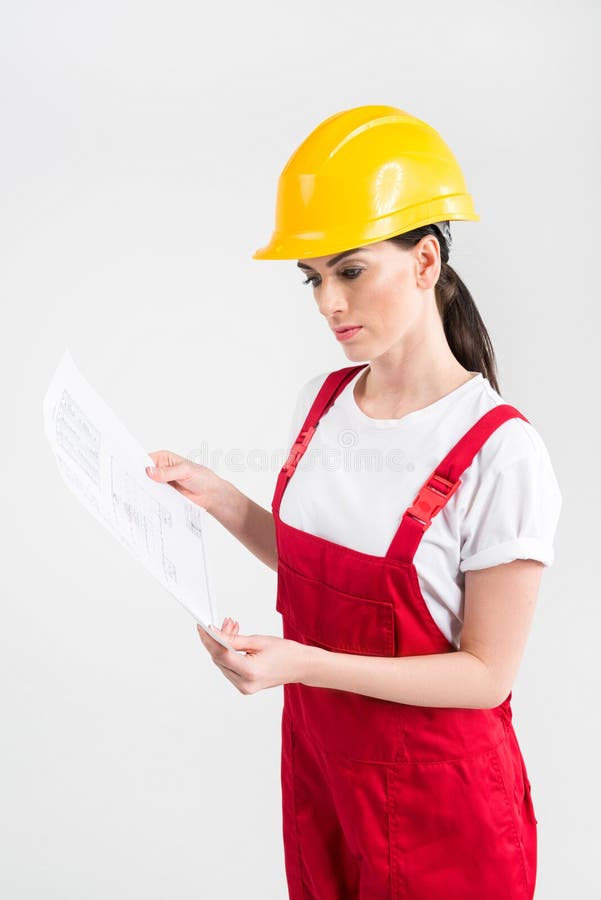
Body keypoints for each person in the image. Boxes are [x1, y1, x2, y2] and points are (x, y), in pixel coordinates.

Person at [145, 105, 562, 899]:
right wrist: (221, 500)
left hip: (442, 808)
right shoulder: (323, 404)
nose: (328, 302)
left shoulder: (500, 451)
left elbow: (485, 676)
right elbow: (322, 565)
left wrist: (303, 664)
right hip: (322, 776)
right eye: (313, 279)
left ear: (425, 261)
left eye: (349, 270)